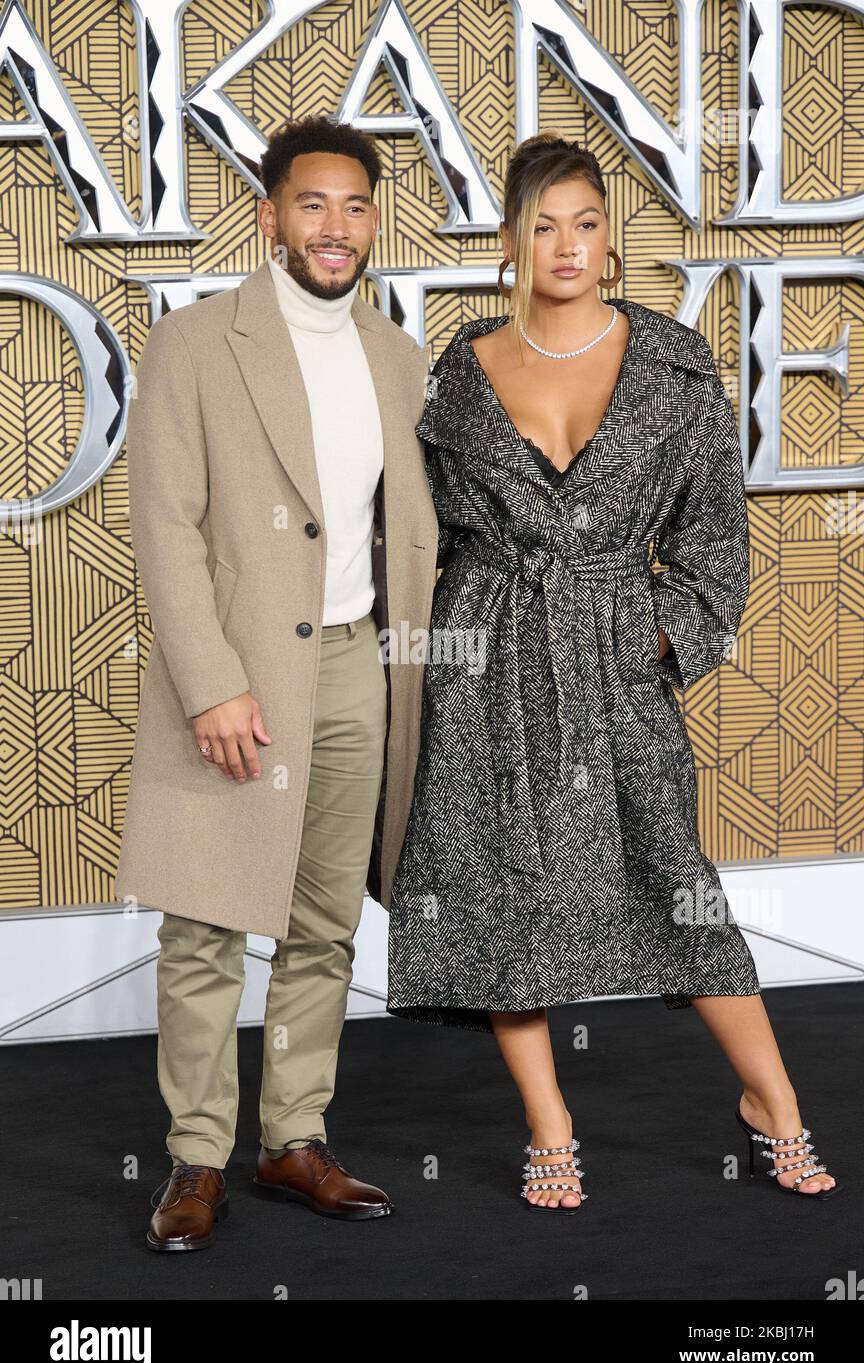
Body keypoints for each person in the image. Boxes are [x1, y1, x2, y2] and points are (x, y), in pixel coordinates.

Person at [385, 132, 840, 1210]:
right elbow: (420, 533)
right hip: (487, 658)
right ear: (509, 242)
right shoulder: (458, 369)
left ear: (610, 240)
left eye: (586, 222)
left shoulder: (677, 366)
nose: (567, 244)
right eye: (543, 224)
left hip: (616, 657)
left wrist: (650, 640)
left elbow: (718, 549)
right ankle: (550, 1122)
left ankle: (772, 1100)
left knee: (680, 888)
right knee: (502, 892)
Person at [113, 115, 438, 1250]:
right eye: (313, 205)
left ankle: (292, 1134)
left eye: (355, 207)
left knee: (323, 924)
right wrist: (211, 684)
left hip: (358, 668)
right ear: (270, 216)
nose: (335, 228)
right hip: (240, 674)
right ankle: (196, 1155)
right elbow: (164, 523)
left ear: (373, 220)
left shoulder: (399, 356)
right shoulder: (198, 342)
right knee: (205, 924)